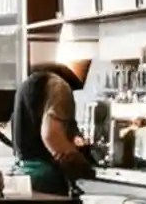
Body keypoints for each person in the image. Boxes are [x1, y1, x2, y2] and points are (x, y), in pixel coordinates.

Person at [9, 61, 94, 195]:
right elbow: (51, 135)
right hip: (45, 177)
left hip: (22, 174)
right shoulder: (59, 86)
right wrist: (83, 164)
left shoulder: (28, 85)